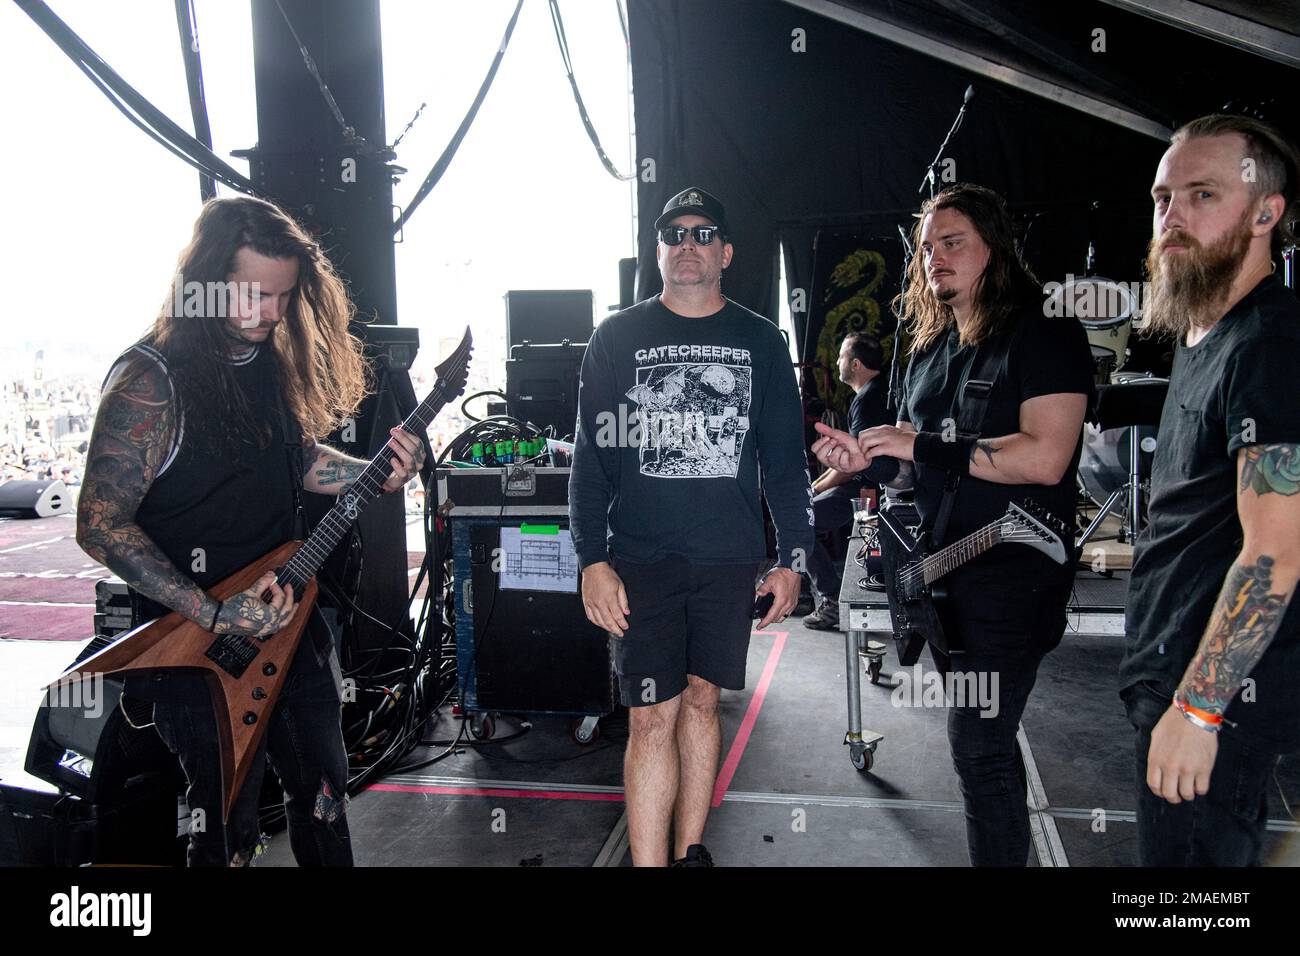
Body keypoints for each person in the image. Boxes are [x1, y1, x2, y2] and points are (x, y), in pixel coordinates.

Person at [76, 195, 425, 866]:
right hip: (197, 647)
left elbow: (296, 463)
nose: (269, 313)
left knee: (324, 797)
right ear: (205, 282)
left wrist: (371, 472)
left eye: (282, 297)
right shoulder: (151, 380)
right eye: (252, 295)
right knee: (223, 827)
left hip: (291, 623)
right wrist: (211, 609)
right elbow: (99, 523)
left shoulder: (266, 361)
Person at [811, 183, 1093, 866]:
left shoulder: (1044, 329)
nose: (935, 257)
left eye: (953, 242)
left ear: (993, 246)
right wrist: (870, 463)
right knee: (977, 749)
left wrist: (920, 447)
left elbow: (1046, 459)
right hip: (941, 580)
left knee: (980, 745)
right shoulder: (930, 347)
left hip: (1014, 573)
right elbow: (917, 475)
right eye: (928, 246)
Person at [570, 186, 814, 866]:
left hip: (727, 560)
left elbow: (784, 463)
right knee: (651, 715)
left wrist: (793, 557)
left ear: (727, 253)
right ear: (659, 251)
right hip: (642, 561)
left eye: (703, 233)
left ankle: (691, 854)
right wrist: (592, 558)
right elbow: (589, 463)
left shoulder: (762, 342)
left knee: (702, 704)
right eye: (674, 233)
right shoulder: (617, 339)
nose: (687, 243)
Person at [1119, 114, 1300, 866]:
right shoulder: (1203, 332)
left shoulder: (1269, 344)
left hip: (1215, 701)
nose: (1173, 218)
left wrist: (1198, 709)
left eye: (1202, 195)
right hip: (1172, 674)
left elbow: (1275, 555)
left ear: (1266, 212)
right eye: (1164, 198)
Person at [803, 332, 892, 630]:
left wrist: (814, 490)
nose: (837, 361)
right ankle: (817, 593)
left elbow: (854, 465)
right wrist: (814, 488)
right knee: (806, 514)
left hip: (870, 492)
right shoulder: (874, 394)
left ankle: (830, 602)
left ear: (854, 364)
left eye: (841, 356)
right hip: (863, 486)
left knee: (802, 524)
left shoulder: (868, 400)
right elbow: (846, 460)